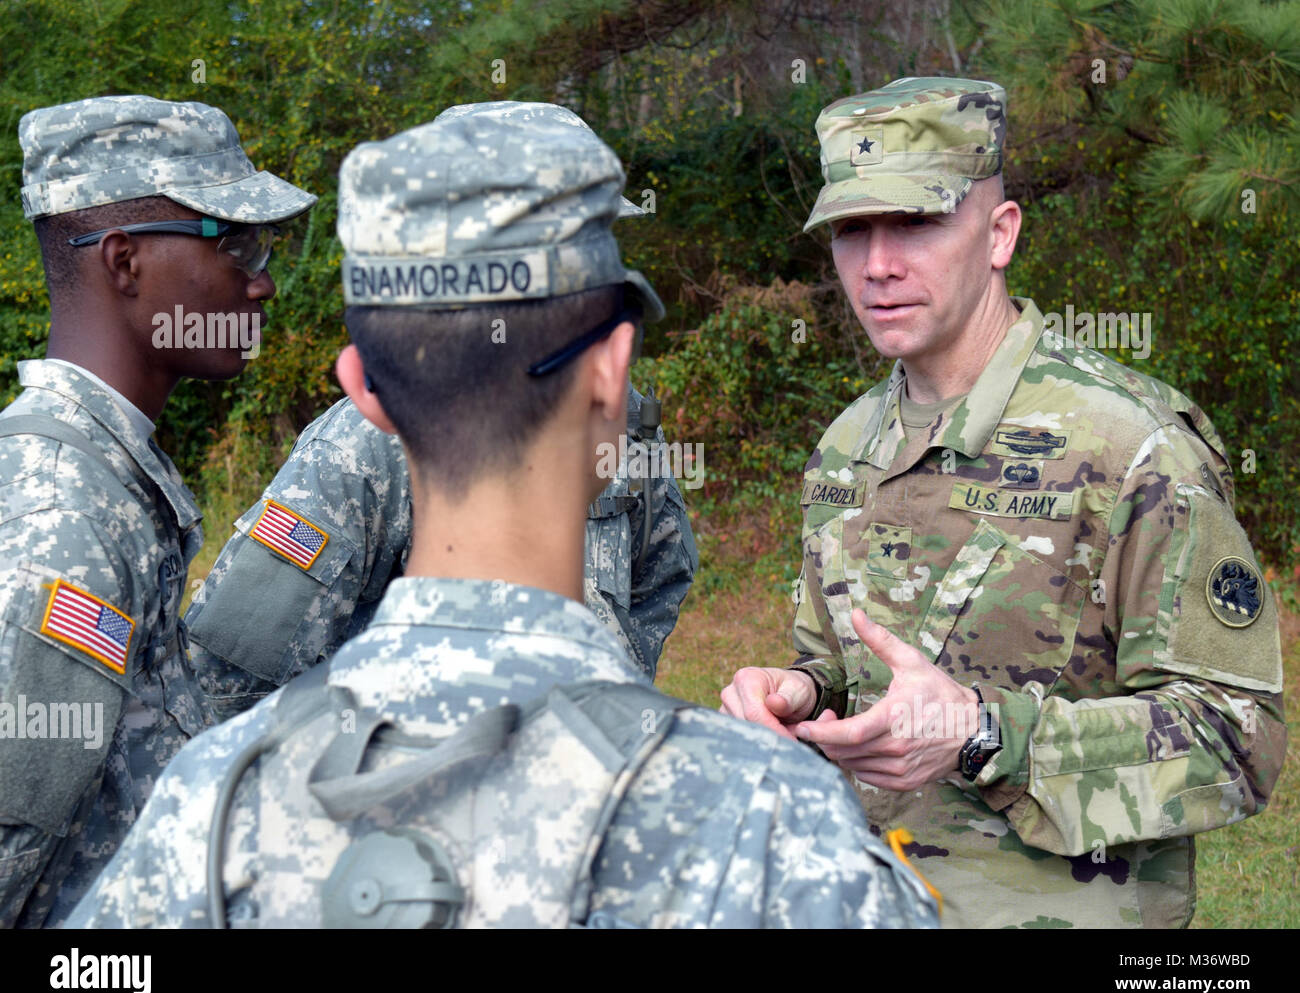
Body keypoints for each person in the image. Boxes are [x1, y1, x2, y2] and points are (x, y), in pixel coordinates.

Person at [68, 102, 936, 929]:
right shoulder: (772, 832)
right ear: (611, 370)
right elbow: (238, 653)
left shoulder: (210, 812)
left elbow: (662, 571)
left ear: (363, 384)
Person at [720, 77, 1286, 929]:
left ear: (999, 233)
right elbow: (845, 665)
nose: (877, 264)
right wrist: (802, 691)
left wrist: (985, 735)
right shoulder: (847, 445)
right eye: (851, 230)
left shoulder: (1128, 445)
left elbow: (1236, 742)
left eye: (915, 222)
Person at [186, 136, 695, 718]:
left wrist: (610, 702)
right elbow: (236, 671)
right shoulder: (359, 446)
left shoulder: (621, 413)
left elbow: (661, 569)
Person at [0, 95, 316, 928]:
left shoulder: (105, 477)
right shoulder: (65, 512)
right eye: (233, 240)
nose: (262, 278)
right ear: (123, 261)